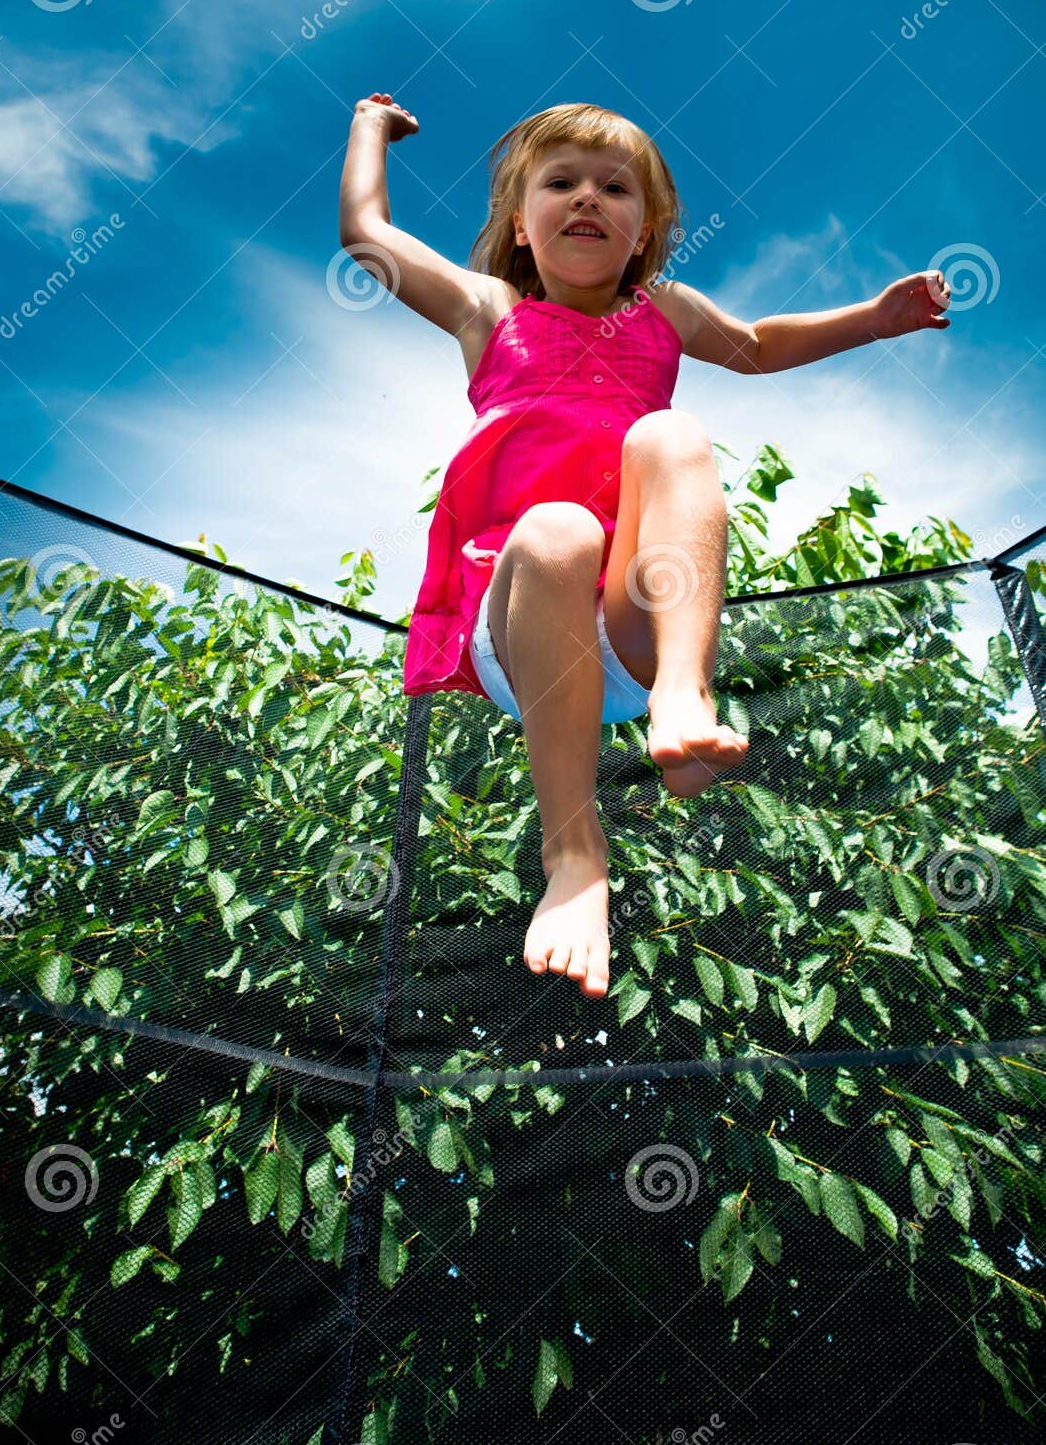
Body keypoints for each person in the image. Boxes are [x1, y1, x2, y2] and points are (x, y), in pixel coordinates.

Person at [338, 94, 952, 1001]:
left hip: (633, 626)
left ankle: (682, 698)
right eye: (561, 182)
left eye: (613, 188)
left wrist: (872, 318)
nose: (587, 197)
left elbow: (752, 344)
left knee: (671, 435)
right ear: (520, 221)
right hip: (525, 625)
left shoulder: (662, 312)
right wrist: (368, 125)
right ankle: (574, 857)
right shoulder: (489, 309)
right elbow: (365, 230)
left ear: (643, 233)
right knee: (558, 528)